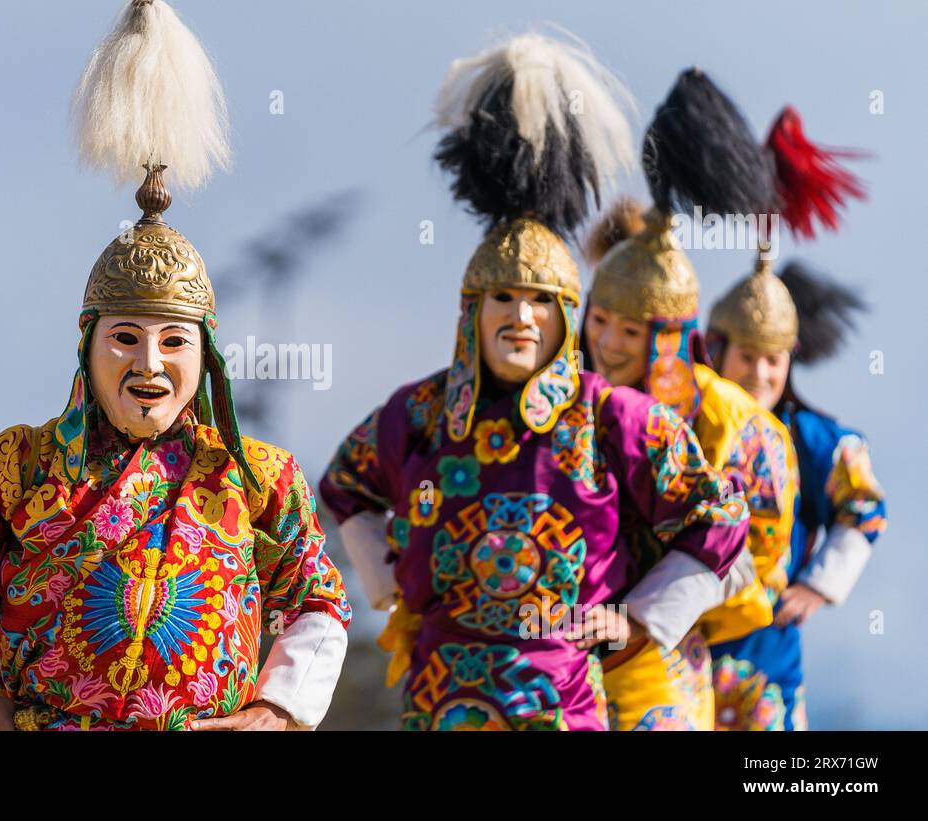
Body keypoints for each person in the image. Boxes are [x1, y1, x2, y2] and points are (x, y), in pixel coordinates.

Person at [0, 0, 350, 731]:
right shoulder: (9, 471)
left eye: (174, 341)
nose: (149, 362)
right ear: (88, 346)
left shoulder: (261, 482)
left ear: (206, 354)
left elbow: (320, 597)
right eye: (125, 337)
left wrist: (280, 712)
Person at [318, 31, 750, 731]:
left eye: (541, 300)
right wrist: (387, 579)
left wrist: (639, 619)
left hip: (564, 706)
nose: (521, 316)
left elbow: (718, 521)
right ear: (472, 311)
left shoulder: (615, 417)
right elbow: (346, 484)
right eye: (504, 298)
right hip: (438, 703)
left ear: (566, 314)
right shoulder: (421, 413)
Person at [579, 70, 797, 730]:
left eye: (632, 329)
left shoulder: (739, 426)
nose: (610, 344)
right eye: (600, 321)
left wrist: (642, 610)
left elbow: (754, 562)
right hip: (556, 665)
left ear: (672, 336)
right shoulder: (564, 403)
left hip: (663, 673)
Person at [704, 107, 887, 730]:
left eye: (773, 360)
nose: (759, 373)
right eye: (747, 356)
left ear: (792, 361)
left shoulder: (813, 440)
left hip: (765, 658)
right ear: (714, 351)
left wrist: (818, 586)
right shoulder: (680, 427)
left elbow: (864, 508)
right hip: (674, 647)